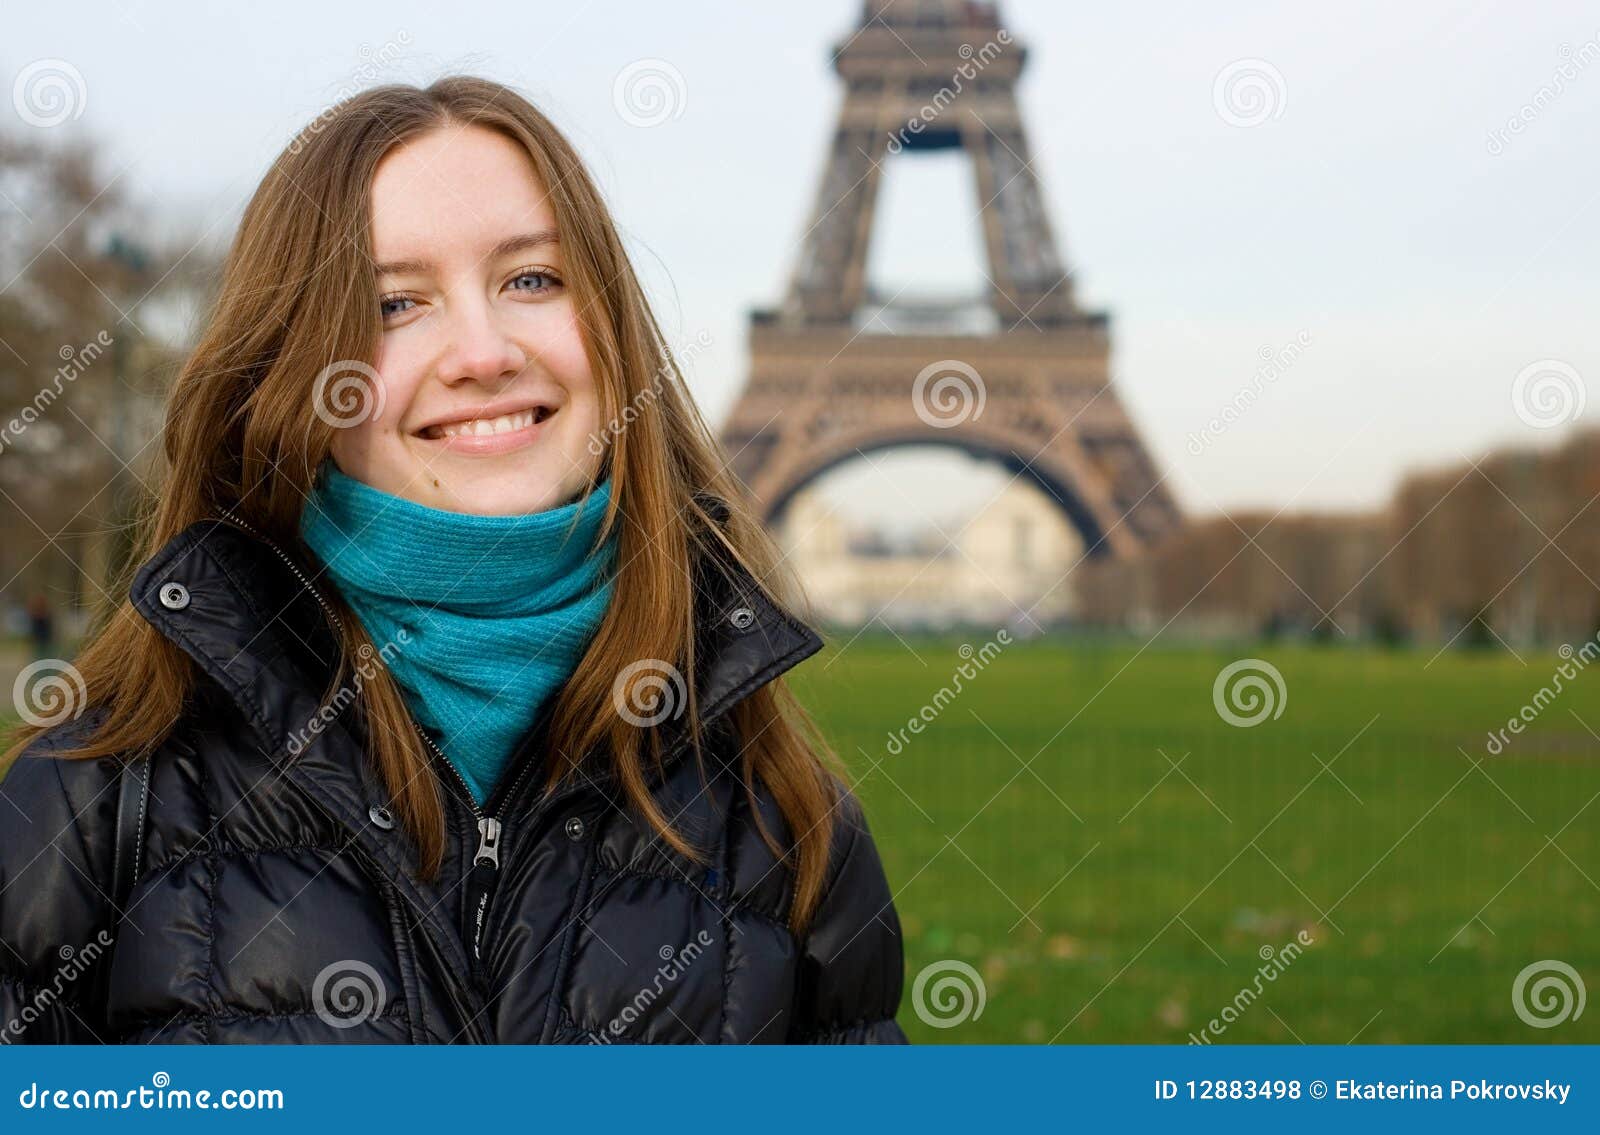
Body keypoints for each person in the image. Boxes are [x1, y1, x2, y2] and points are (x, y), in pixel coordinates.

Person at [0, 76, 905, 1044]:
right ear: (294, 373)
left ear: (610, 329)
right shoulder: (98, 795)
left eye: (531, 279)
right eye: (393, 302)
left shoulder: (783, 820)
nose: (483, 350)